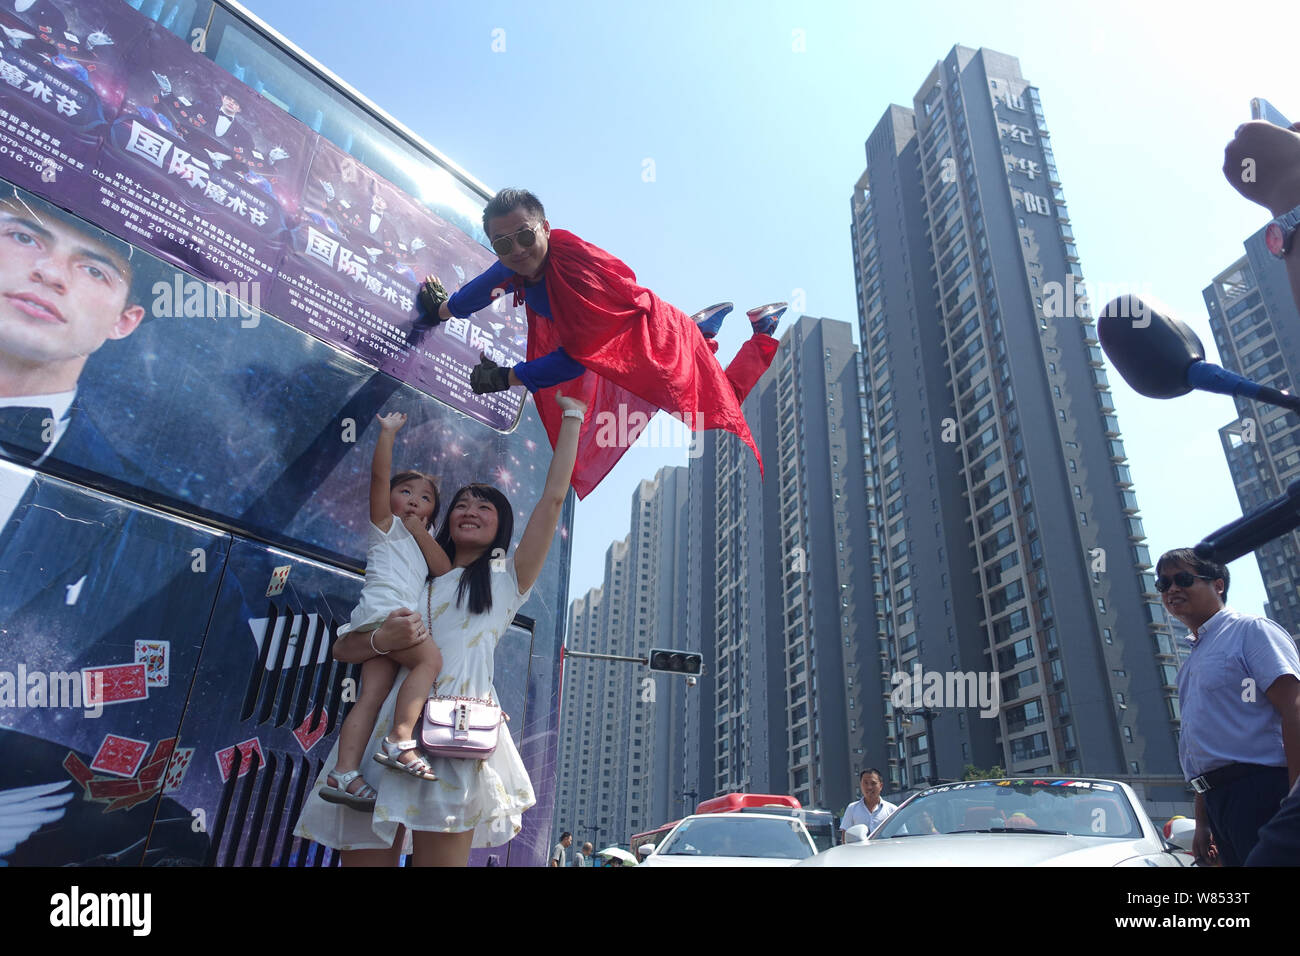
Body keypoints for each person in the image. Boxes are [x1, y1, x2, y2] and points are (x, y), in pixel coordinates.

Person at [294, 391, 587, 866]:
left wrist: (572, 417)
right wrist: (379, 641)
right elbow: (344, 649)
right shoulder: (418, 579)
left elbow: (553, 500)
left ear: (502, 526)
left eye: (485, 506)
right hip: (392, 736)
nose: (470, 510)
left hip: (458, 734)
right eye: (462, 504)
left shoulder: (508, 578)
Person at [415, 188, 784, 497]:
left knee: (713, 407)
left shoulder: (576, 277)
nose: (517, 251)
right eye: (502, 243)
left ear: (545, 228)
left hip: (649, 352)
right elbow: (489, 283)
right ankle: (700, 331)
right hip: (643, 335)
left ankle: (761, 332)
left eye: (525, 237)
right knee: (696, 386)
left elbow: (577, 358)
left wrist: (507, 377)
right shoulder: (516, 260)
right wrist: (444, 309)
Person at [318, 412, 450, 810]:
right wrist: (387, 434)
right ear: (391, 499)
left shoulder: (416, 540)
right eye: (406, 491)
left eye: (425, 498)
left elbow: (443, 569)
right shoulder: (385, 526)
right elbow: (378, 478)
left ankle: (343, 773)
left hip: (388, 621)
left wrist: (421, 532)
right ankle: (400, 740)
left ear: (431, 513)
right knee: (431, 661)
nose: (414, 500)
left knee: (370, 695)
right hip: (385, 613)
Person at [1157, 548, 1300, 866]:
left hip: (1263, 791)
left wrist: (1295, 799)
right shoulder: (1193, 660)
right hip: (1219, 802)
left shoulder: (1251, 631)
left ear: (1218, 585)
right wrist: (1203, 822)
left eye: (1182, 579)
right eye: (1163, 584)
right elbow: (1206, 752)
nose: (1172, 589)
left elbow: (1294, 708)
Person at [0, 189, 147, 499]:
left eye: (95, 271)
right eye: (24, 238)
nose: (51, 273)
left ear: (123, 321)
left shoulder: (129, 505)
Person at [840, 768, 897, 842]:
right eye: (865, 783)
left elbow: (900, 837)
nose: (869, 787)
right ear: (861, 785)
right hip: (860, 852)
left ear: (881, 786)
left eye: (873, 783)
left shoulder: (892, 810)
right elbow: (845, 838)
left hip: (885, 852)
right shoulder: (852, 808)